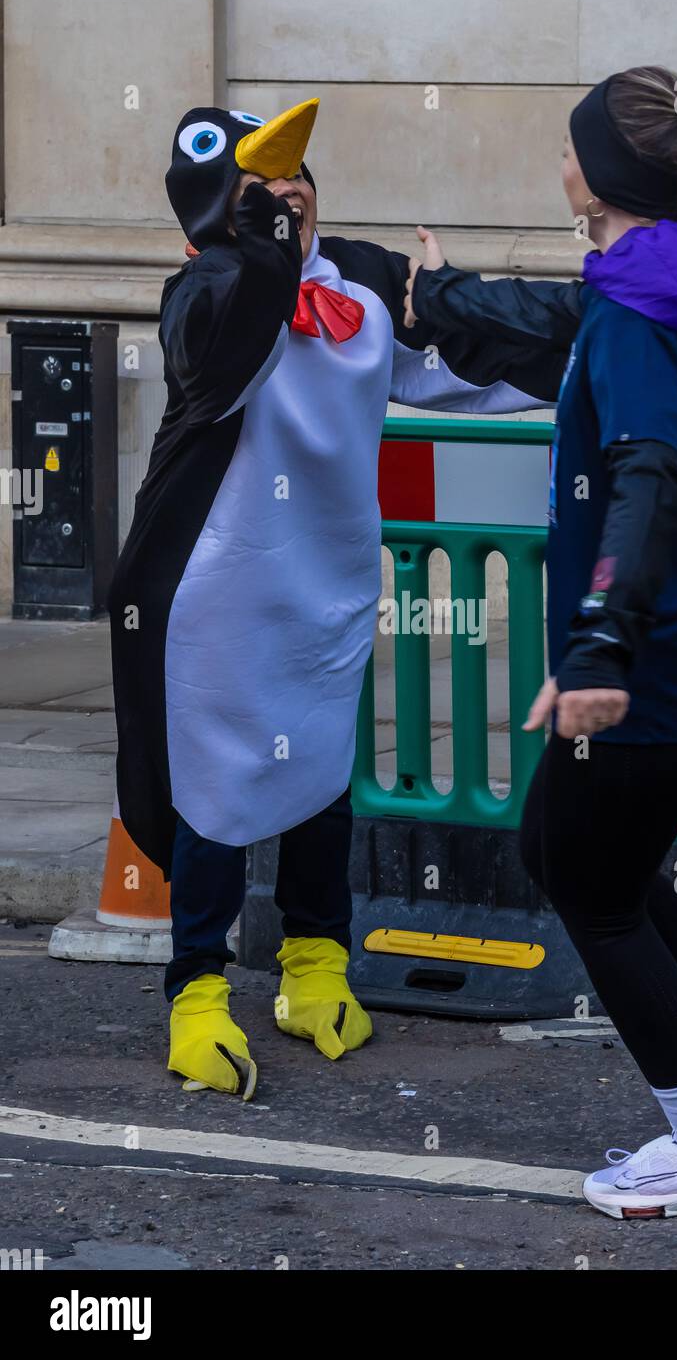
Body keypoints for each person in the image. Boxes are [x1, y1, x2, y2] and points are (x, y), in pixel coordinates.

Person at [404, 67, 677, 1219]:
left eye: (569, 145)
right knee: (575, 853)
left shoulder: (647, 306)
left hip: (656, 665)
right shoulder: (668, 277)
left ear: (602, 175)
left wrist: (599, 651)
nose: (559, 160)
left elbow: (643, 477)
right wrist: (437, 298)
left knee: (587, 884)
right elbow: (564, 334)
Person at [108, 100, 565, 1100]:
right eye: (262, 185)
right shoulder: (203, 296)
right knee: (217, 795)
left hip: (323, 586)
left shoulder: (355, 275)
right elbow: (226, 342)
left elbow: (455, 362)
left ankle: (316, 961)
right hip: (213, 595)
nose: (292, 194)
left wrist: (574, 343)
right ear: (218, 215)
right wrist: (262, 248)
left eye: (298, 176)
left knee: (319, 775)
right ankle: (196, 987)